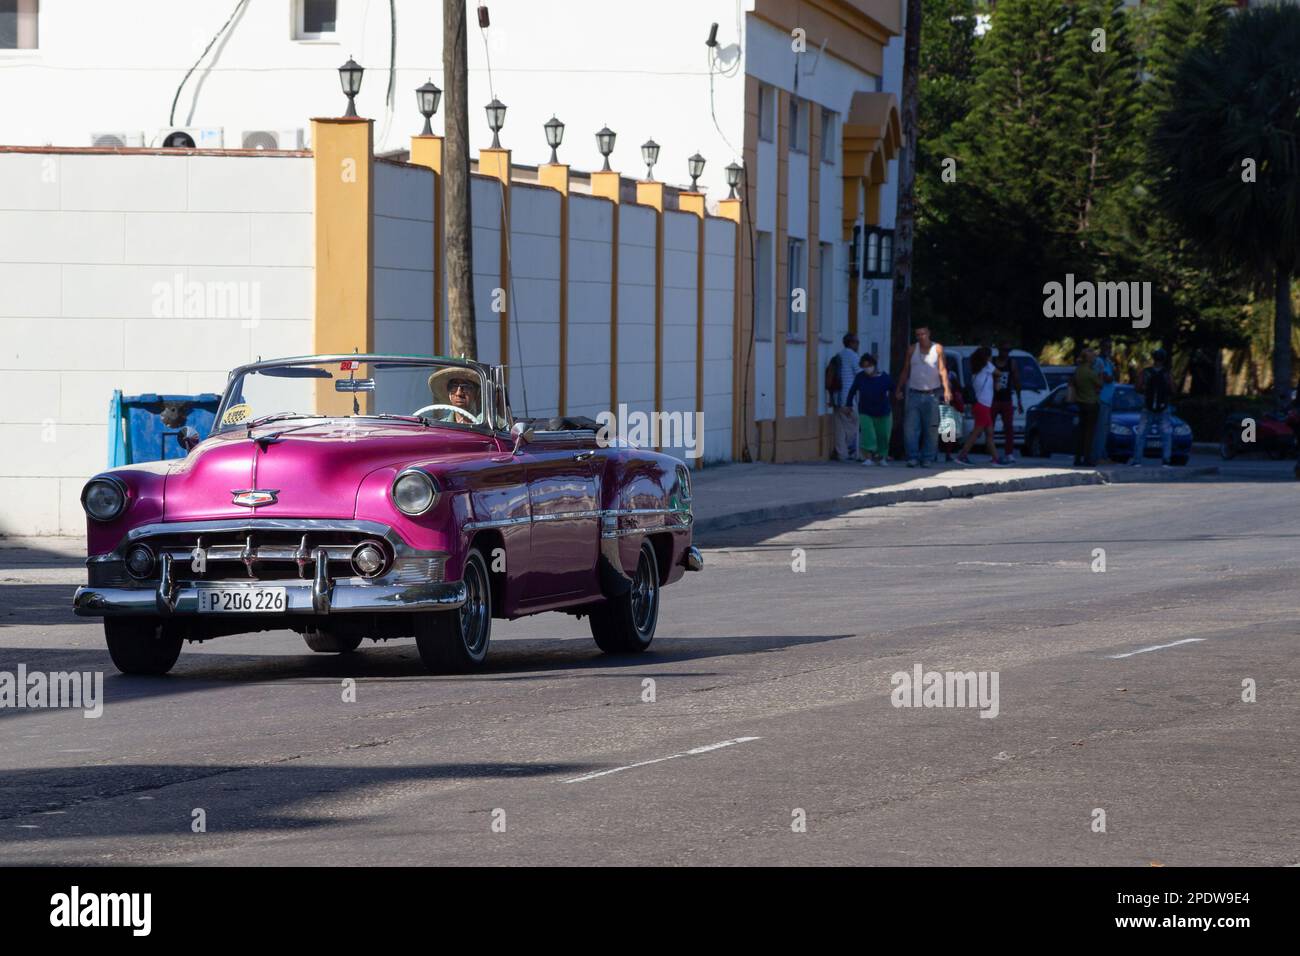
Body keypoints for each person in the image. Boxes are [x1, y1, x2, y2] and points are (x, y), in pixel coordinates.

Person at [894, 326, 951, 468]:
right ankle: (912, 457)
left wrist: (947, 390)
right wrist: (899, 388)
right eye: (918, 334)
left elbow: (943, 370)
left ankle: (928, 458)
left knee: (931, 428)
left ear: (929, 334)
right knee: (910, 428)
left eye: (923, 333)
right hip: (914, 393)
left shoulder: (937, 348)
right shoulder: (912, 349)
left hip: (932, 393)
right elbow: (906, 370)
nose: (920, 336)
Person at [955, 347, 1003, 465]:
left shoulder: (978, 370)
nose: (992, 358)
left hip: (982, 405)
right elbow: (999, 372)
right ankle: (962, 456)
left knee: (989, 432)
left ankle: (995, 458)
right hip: (983, 405)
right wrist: (997, 380)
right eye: (990, 356)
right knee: (977, 432)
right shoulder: (987, 367)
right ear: (986, 358)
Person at [846, 353, 893, 465]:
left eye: (868, 365)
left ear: (874, 365)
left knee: (883, 435)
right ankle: (868, 457)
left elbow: (894, 389)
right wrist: (848, 404)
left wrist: (899, 394)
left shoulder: (885, 377)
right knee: (868, 434)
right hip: (865, 411)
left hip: (883, 411)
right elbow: (852, 391)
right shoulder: (860, 377)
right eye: (864, 366)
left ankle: (882, 457)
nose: (866, 368)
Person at [1131, 348, 1174, 468]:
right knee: (1166, 434)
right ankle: (1166, 460)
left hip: (1147, 406)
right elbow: (1173, 389)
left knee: (1141, 434)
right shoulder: (1167, 373)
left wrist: (1146, 391)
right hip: (1163, 407)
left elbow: (1137, 387)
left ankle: (1137, 460)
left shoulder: (1146, 372)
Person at [828, 333, 860, 462]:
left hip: (836, 396)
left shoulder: (838, 356)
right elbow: (860, 374)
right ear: (851, 343)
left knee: (839, 427)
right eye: (856, 342)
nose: (858, 345)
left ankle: (842, 454)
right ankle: (851, 449)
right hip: (847, 397)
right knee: (855, 422)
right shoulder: (852, 356)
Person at [990, 342, 1022, 464]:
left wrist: (1019, 400)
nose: (1006, 353)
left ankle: (1009, 453)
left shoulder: (1011, 363)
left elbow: (1017, 381)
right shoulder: (992, 362)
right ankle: (992, 452)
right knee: (990, 427)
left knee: (1009, 427)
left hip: (1006, 399)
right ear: (999, 350)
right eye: (1004, 350)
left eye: (1008, 351)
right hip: (993, 399)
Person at [1070, 347, 1101, 466]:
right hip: (1091, 404)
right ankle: (1087, 458)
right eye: (1092, 356)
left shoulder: (1078, 371)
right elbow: (1100, 384)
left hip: (1081, 403)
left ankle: (1078, 457)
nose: (1094, 358)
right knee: (1089, 433)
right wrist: (1101, 373)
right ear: (1088, 359)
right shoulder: (1090, 372)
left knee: (1081, 432)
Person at [1091, 338, 1118, 464]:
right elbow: (1102, 377)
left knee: (1105, 430)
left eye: (1110, 347)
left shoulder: (1108, 361)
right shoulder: (1099, 361)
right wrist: (1110, 376)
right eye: (1107, 347)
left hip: (1108, 399)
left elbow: (1113, 376)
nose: (1109, 350)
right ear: (1101, 347)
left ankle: (1103, 454)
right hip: (1101, 399)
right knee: (1100, 430)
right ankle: (1097, 456)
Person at [940, 368, 966, 462]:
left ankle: (947, 454)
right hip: (948, 408)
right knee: (949, 434)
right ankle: (947, 454)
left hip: (948, 407)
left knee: (949, 434)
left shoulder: (950, 375)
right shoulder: (950, 376)